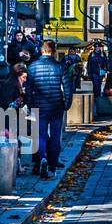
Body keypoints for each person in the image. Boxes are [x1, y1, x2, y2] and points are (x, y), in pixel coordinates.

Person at [25, 40, 72, 179]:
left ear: (42, 51)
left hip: (39, 106)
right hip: (56, 106)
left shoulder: (32, 67)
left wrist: (30, 105)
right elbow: (67, 88)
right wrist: (66, 104)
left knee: (40, 135)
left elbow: (29, 90)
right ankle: (52, 164)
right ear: (54, 52)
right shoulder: (60, 67)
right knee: (56, 135)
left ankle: (42, 159)